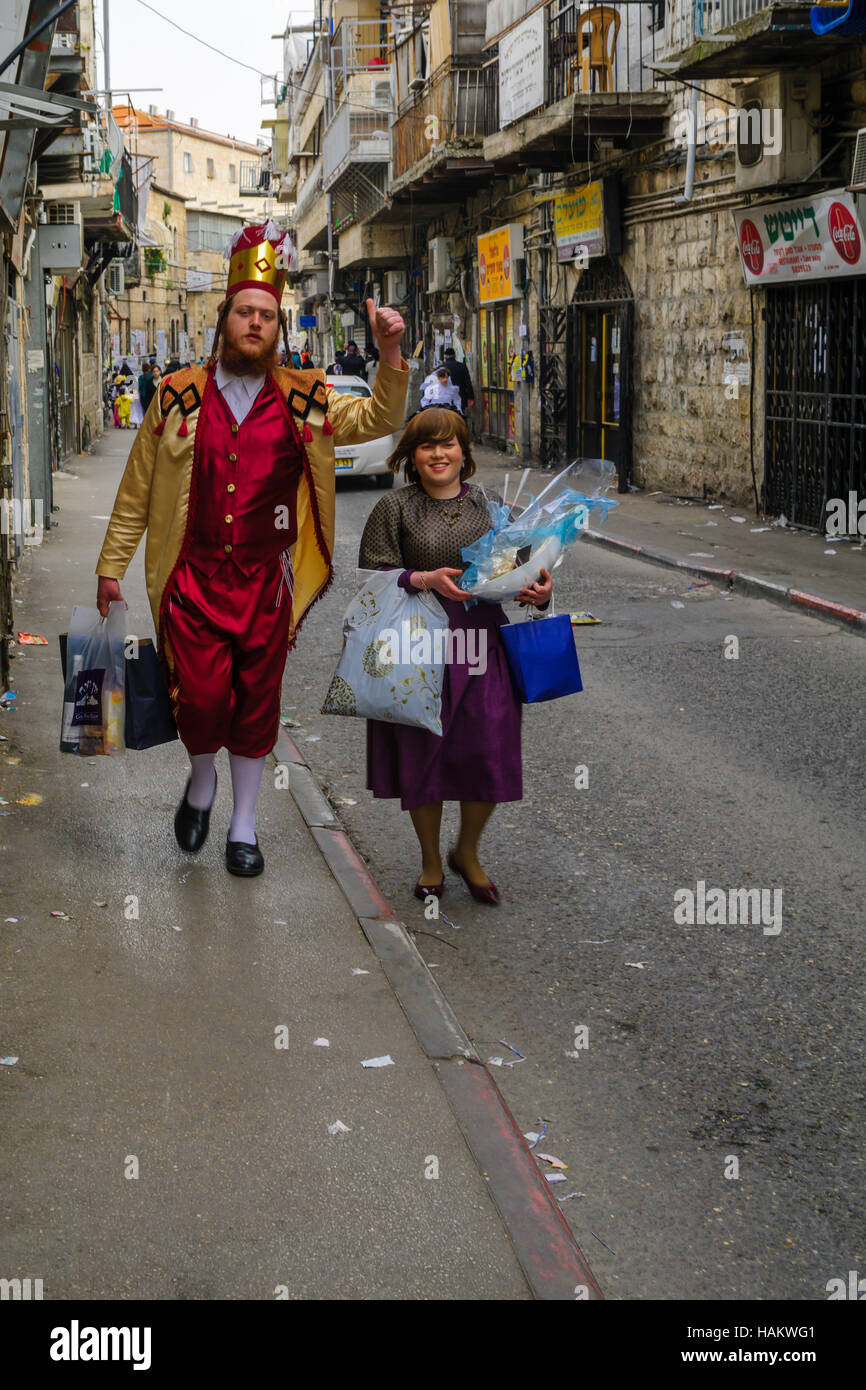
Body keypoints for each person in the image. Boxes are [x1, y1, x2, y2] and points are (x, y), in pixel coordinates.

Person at [94, 220, 408, 878]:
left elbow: (378, 420)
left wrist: (388, 358)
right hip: (194, 581)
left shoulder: (308, 399)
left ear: (278, 326)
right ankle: (200, 783)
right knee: (201, 700)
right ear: (225, 317)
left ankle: (242, 827)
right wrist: (109, 568)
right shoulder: (177, 395)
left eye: (267, 314)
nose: (256, 323)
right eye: (245, 311)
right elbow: (137, 490)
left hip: (267, 583)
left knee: (256, 704)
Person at [358, 408, 552, 904]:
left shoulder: (491, 506)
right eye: (427, 445)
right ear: (411, 455)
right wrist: (421, 578)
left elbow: (522, 567)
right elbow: (371, 579)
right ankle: (429, 859)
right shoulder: (394, 509)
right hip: (416, 642)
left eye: (448, 444)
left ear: (464, 452)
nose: (438, 454)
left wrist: (540, 592)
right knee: (422, 754)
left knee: (488, 748)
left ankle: (466, 851)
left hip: (481, 640)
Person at [439, 347, 474, 415]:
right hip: (460, 398)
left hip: (445, 400)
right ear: (455, 356)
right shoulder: (462, 366)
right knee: (460, 418)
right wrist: (470, 397)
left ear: (445, 357)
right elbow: (468, 383)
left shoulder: (441, 368)